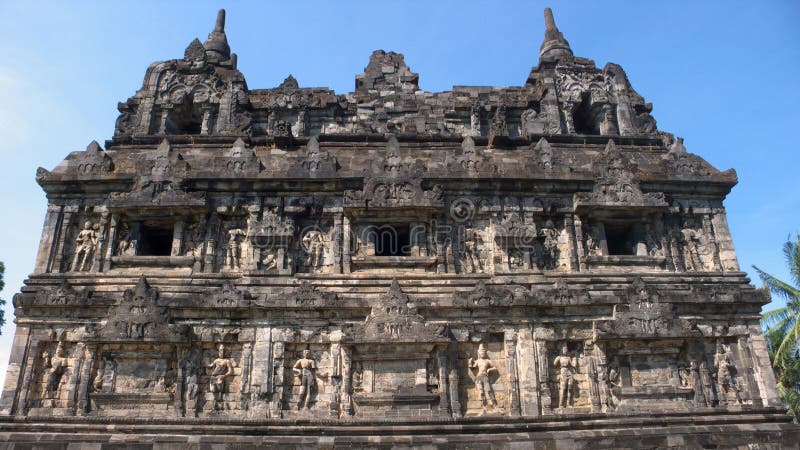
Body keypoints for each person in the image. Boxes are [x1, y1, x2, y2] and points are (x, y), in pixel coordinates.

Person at [468, 343, 498, 408]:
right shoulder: (478, 361)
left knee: (488, 390)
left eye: (483, 352)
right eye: (481, 353)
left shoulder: (487, 361)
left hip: (485, 377)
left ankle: (493, 402)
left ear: (485, 353)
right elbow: (472, 367)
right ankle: (484, 403)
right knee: (481, 391)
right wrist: (470, 362)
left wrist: (489, 369)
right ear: (479, 353)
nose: (482, 354)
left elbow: (495, 368)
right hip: (479, 377)